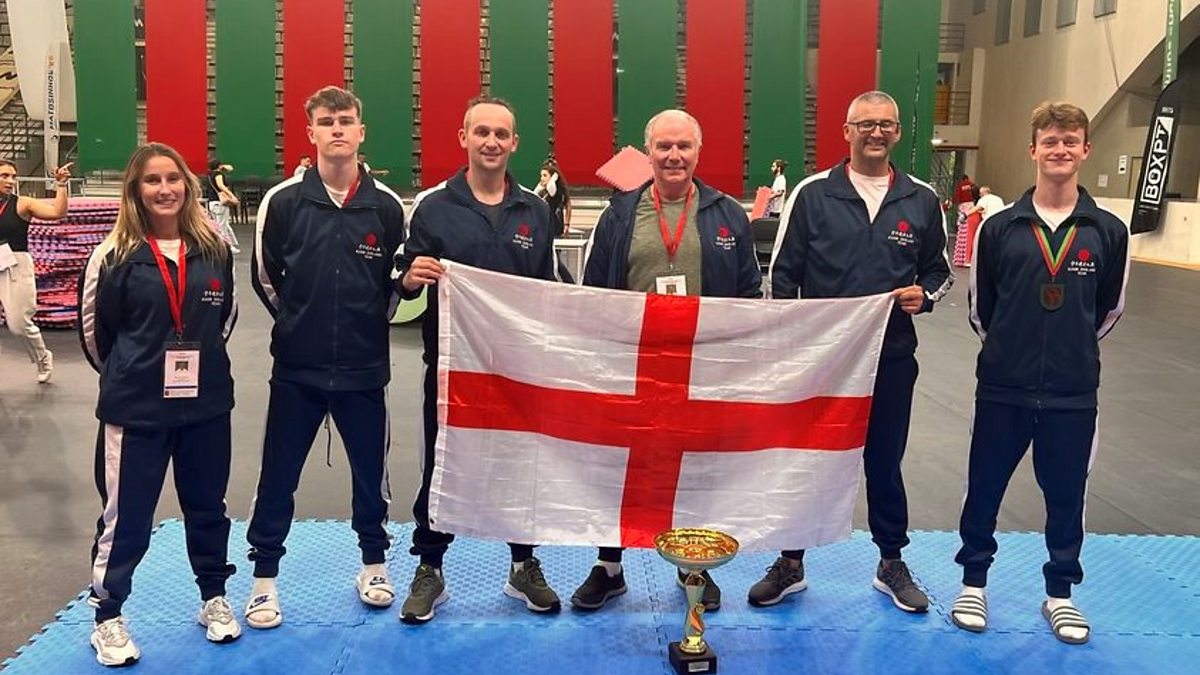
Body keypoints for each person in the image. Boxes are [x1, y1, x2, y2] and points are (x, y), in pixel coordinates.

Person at [762, 90, 952, 613]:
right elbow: (783, 275)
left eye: (885, 125)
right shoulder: (812, 193)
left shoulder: (920, 199)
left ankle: (891, 560)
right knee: (807, 459)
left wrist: (926, 296)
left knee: (884, 462)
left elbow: (940, 271)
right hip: (822, 362)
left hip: (890, 358)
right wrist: (794, 344)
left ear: (897, 133)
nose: (875, 133)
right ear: (845, 131)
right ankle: (790, 561)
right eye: (865, 124)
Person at [951, 102, 1128, 645]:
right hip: (1004, 385)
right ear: (1034, 150)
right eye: (1050, 141)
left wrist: (1069, 351)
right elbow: (983, 308)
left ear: (1085, 150)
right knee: (984, 485)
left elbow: (1110, 309)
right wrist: (1013, 352)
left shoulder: (1109, 231)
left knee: (1067, 494)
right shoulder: (999, 228)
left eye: (1070, 141)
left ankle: (1060, 593)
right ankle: (973, 582)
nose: (1060, 150)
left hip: (1074, 392)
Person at [573, 109, 762, 612]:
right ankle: (610, 566)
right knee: (620, 467)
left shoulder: (727, 215)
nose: (674, 156)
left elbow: (748, 294)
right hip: (635, 366)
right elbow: (595, 292)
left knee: (695, 467)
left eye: (683, 146)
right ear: (648, 152)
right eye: (663, 147)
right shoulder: (620, 213)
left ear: (698, 153)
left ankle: (693, 564)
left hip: (702, 370)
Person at [395, 95, 564, 623]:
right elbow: (403, 274)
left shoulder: (535, 211)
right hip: (452, 367)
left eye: (501, 133)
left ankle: (523, 563)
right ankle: (430, 567)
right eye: (481, 131)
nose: (491, 141)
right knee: (443, 464)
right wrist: (408, 277)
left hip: (518, 368)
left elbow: (547, 288)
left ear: (514, 143)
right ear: (463, 138)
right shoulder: (433, 206)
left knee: (520, 466)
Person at [245, 86, 407, 629]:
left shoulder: (386, 207)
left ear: (361, 131)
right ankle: (264, 581)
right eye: (327, 121)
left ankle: (374, 564)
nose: (337, 129)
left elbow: (390, 284)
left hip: (364, 370)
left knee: (370, 474)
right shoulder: (283, 201)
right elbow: (266, 279)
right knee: (278, 476)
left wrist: (364, 327)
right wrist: (298, 326)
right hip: (298, 369)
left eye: (346, 121)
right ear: (310, 132)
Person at [78, 143, 240, 666]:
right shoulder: (114, 254)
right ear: (136, 190)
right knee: (126, 518)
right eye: (152, 181)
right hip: (136, 412)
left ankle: (213, 597)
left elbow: (225, 319)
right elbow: (94, 336)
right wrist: (134, 374)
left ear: (188, 186)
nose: (165, 189)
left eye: (174, 178)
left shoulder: (213, 248)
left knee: (208, 509)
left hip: (206, 407)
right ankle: (107, 617)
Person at [0, 158, 71, 383]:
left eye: (13, 176)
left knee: (18, 324)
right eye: (4, 176)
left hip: (14, 266)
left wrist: (60, 185)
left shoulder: (22, 204)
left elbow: (58, 212)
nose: (10, 181)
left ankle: (42, 357)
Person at [203, 160, 241, 253]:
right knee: (222, 226)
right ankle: (226, 246)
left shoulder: (209, 175)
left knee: (222, 224)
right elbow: (221, 186)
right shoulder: (218, 174)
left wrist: (224, 167)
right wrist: (231, 195)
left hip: (213, 203)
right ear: (219, 166)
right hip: (219, 202)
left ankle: (231, 244)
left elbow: (230, 168)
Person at [534, 158, 572, 236]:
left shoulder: (554, 191)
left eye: (545, 175)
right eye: (541, 175)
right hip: (543, 228)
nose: (541, 178)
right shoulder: (542, 190)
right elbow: (534, 197)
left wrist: (567, 224)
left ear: (553, 177)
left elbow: (568, 205)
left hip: (553, 229)